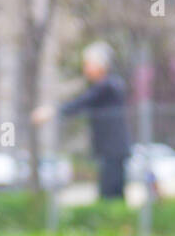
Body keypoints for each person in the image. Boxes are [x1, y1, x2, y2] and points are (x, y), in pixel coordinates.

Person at [32, 41, 131, 200]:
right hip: (108, 149)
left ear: (101, 65)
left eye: (88, 64)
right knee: (110, 194)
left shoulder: (108, 86)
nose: (85, 68)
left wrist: (53, 111)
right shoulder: (104, 87)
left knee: (110, 194)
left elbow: (82, 102)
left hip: (113, 149)